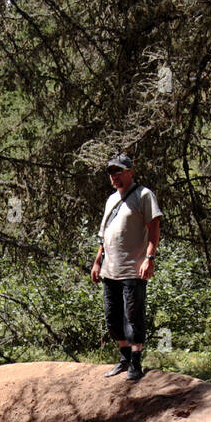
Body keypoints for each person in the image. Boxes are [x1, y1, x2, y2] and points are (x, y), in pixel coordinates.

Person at [90, 154, 161, 381]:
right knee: (112, 317)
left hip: (133, 268)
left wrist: (149, 258)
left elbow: (154, 228)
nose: (114, 177)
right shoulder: (111, 200)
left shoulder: (144, 195)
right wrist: (97, 261)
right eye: (111, 173)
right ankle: (123, 358)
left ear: (130, 171)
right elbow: (103, 236)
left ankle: (136, 362)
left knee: (133, 315)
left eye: (119, 172)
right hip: (110, 269)